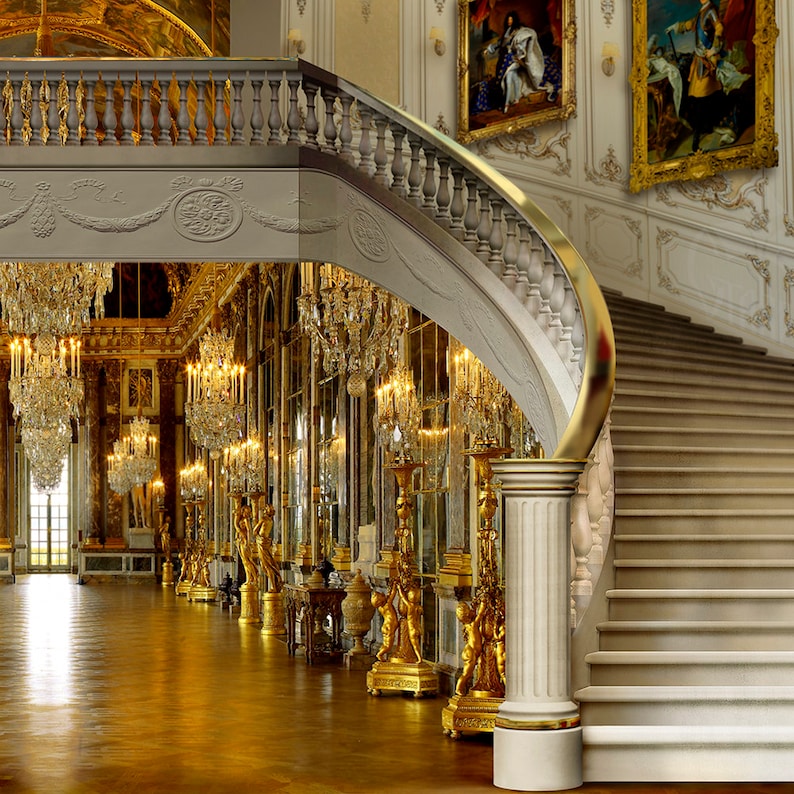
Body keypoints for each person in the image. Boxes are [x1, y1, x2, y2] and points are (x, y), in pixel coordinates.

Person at [666, 0, 750, 151]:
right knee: (700, 98)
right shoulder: (702, 11)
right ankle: (706, 126)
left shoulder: (711, 9)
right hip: (699, 61)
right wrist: (676, 26)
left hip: (708, 62)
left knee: (702, 99)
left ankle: (697, 140)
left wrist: (715, 48)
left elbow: (719, 27)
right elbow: (691, 24)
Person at [253, 503, 282, 593]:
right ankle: (274, 584)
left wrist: (261, 539)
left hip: (264, 543)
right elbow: (255, 531)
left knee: (267, 565)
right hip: (263, 542)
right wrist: (259, 539)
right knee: (266, 565)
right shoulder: (266, 519)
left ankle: (274, 586)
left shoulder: (267, 519)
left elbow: (256, 531)